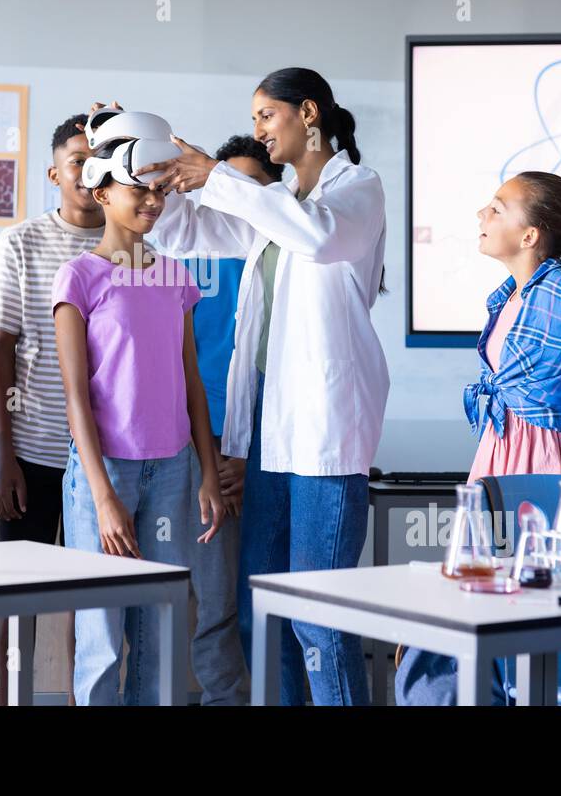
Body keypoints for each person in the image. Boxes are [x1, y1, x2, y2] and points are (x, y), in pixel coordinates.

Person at [137, 66, 389, 706]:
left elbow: (320, 237)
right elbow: (185, 229)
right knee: (263, 614)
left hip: (323, 441)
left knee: (318, 619)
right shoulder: (274, 206)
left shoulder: (356, 189)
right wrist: (142, 157)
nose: (257, 131)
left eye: (265, 117)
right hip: (270, 439)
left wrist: (216, 175)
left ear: (308, 112)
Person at [395, 170, 561, 706]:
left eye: (497, 208)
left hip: (543, 458)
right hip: (499, 454)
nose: (482, 214)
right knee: (480, 607)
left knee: (535, 616)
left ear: (530, 235)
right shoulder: (513, 295)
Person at [52, 135, 225, 705]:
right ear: (101, 193)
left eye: (159, 192)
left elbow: (190, 383)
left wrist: (206, 471)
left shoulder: (175, 276)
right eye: (139, 191)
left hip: (172, 469)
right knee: (102, 636)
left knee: (160, 632)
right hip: (105, 473)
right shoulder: (79, 277)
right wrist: (101, 495)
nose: (153, 202)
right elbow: (76, 394)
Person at [0, 114, 102, 705]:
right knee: (17, 599)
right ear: (54, 173)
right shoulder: (20, 242)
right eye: (79, 159)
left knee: (93, 605)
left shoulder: (135, 245)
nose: (92, 171)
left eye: (104, 158)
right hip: (35, 452)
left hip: (107, 459)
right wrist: (4, 457)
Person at [181, 133, 281, 705]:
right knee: (213, 590)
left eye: (250, 189)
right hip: (198, 442)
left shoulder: (280, 253)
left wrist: (247, 449)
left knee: (260, 585)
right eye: (225, 188)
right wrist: (208, 456)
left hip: (265, 439)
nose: (234, 202)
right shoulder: (181, 247)